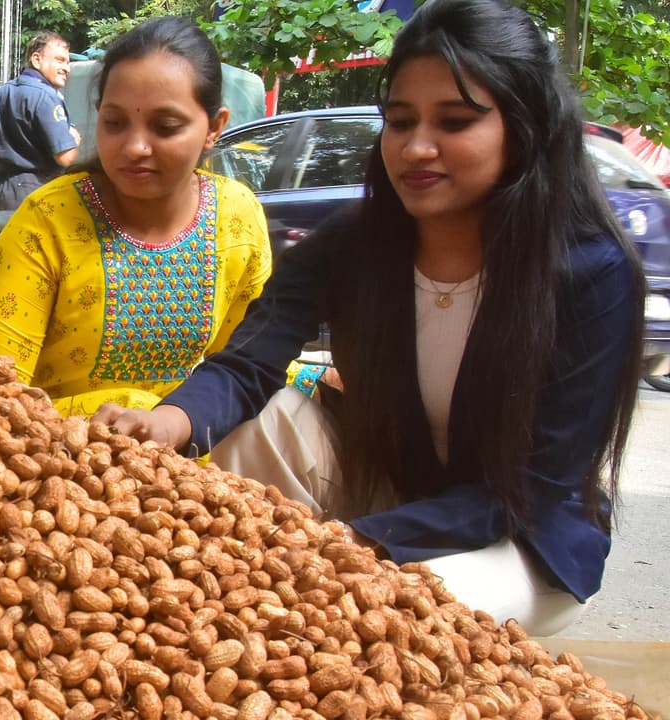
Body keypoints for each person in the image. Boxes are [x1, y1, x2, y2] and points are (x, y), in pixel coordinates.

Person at [94, 0, 646, 636]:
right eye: (399, 119)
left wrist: (341, 544)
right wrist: (167, 421)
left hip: (517, 536)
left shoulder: (588, 271)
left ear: (524, 127)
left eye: (456, 122)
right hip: (385, 483)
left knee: (362, 619)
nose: (416, 147)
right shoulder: (353, 243)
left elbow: (529, 490)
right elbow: (251, 361)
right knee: (251, 436)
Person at [0, 17, 271, 417]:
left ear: (214, 127)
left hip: (191, 456)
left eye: (165, 127)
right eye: (114, 123)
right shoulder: (46, 223)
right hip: (50, 456)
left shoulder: (239, 218)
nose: (135, 147)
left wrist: (174, 424)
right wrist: (136, 411)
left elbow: (240, 370)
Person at [0, 32, 82, 211]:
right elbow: (66, 157)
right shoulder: (46, 96)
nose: (67, 68)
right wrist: (74, 138)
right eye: (59, 60)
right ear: (36, 60)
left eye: (67, 62)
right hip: (33, 191)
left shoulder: (0, 93)